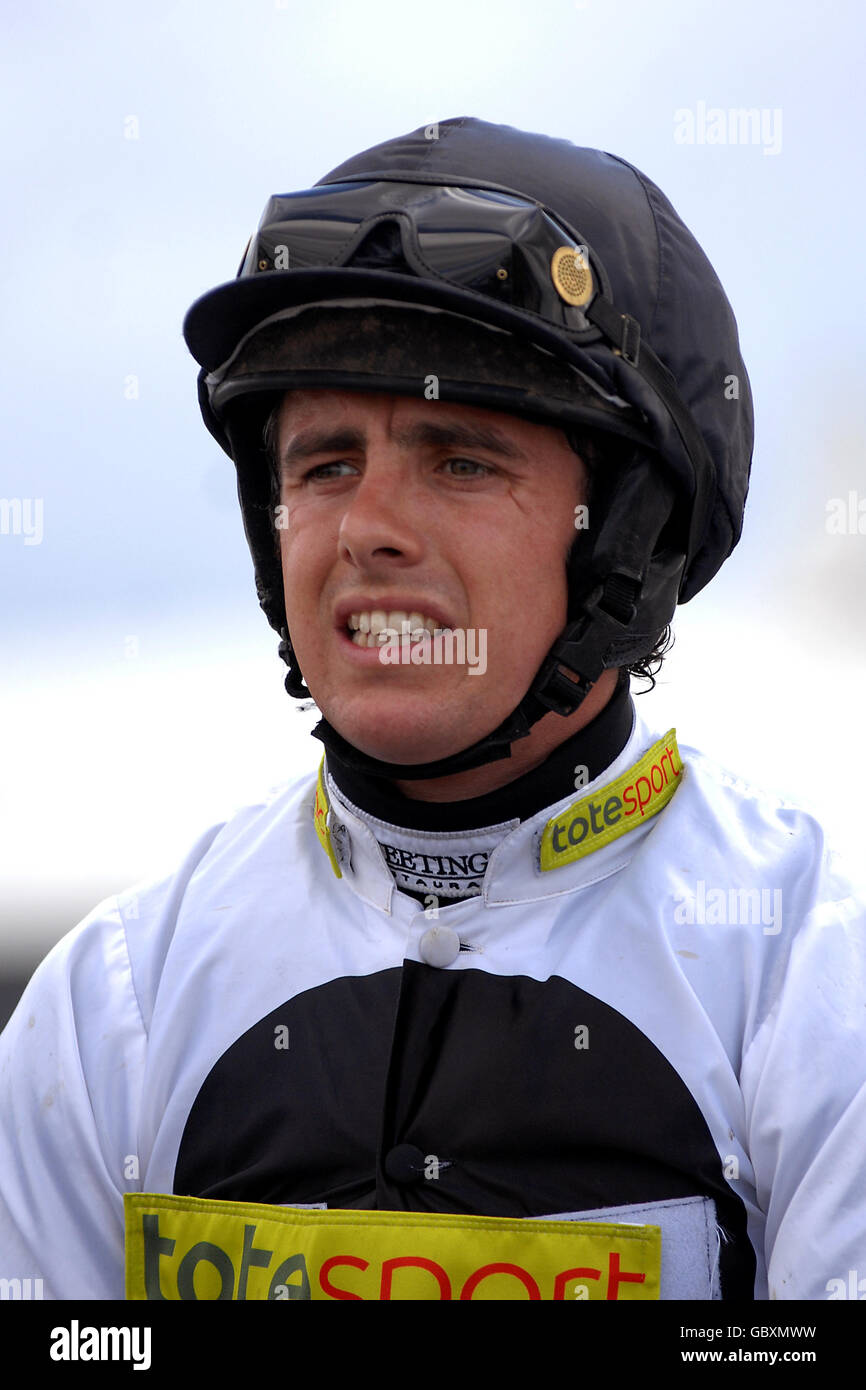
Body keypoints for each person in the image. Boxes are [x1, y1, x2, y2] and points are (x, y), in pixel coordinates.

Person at [1, 116, 864, 1303]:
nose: (367, 528)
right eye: (323, 463)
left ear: (627, 535)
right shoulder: (112, 1008)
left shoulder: (813, 985)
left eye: (460, 460)